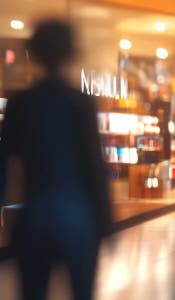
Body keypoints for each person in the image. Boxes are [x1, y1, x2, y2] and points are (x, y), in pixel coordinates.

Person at [0, 20, 112, 300]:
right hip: (77, 215)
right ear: (70, 53)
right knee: (81, 291)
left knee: (33, 291)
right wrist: (106, 220)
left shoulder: (20, 102)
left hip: (34, 213)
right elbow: (94, 165)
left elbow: (4, 164)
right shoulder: (80, 103)